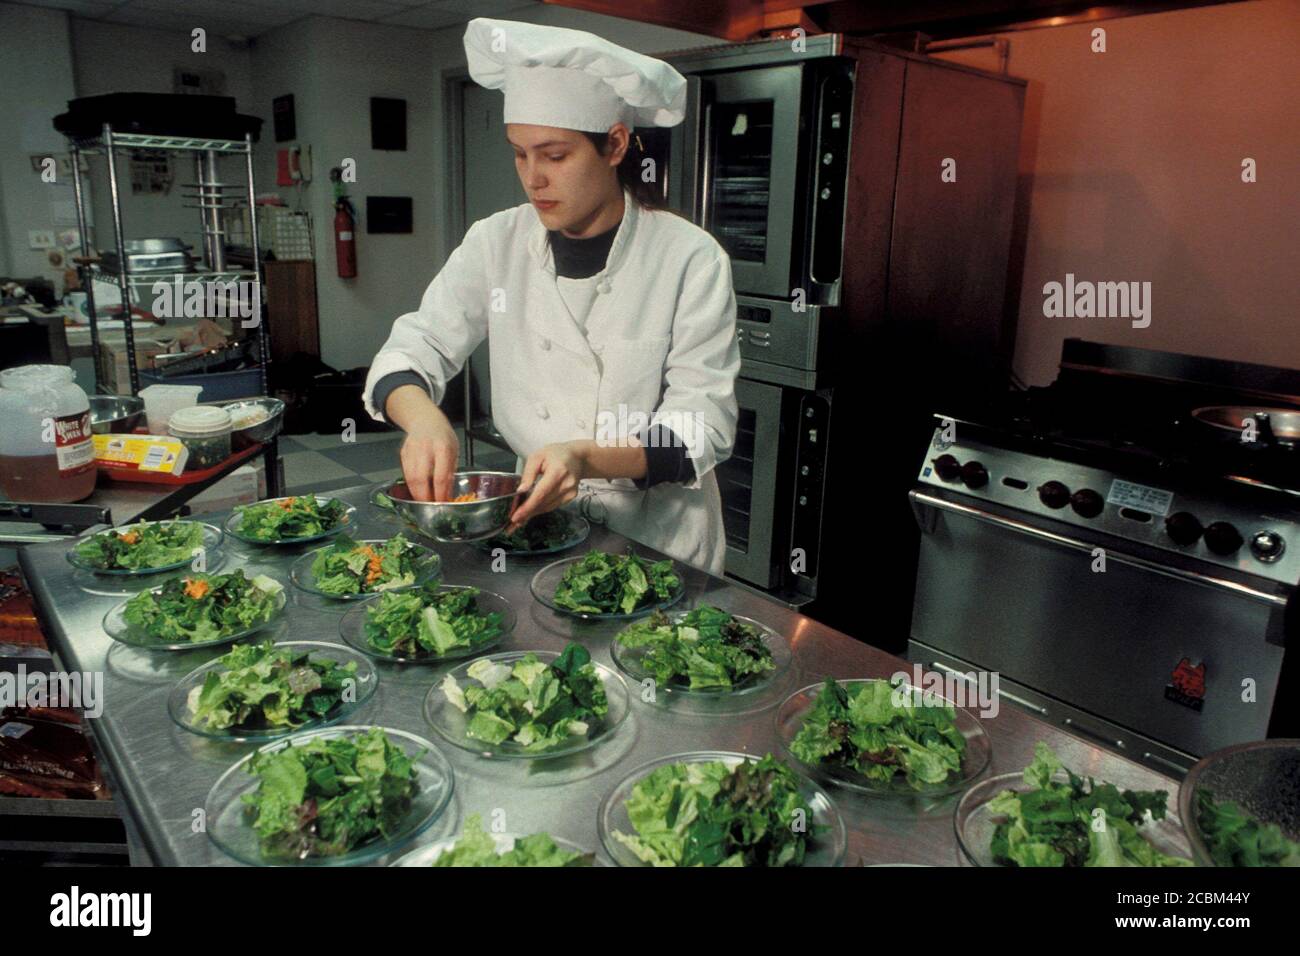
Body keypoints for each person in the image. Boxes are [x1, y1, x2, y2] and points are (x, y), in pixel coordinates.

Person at [363, 17, 740, 575]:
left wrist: (585, 457)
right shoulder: (497, 242)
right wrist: (422, 418)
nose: (532, 178)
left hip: (659, 542)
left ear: (613, 144)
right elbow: (415, 347)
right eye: (519, 153)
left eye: (555, 155)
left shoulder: (689, 257)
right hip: (538, 526)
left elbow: (700, 426)